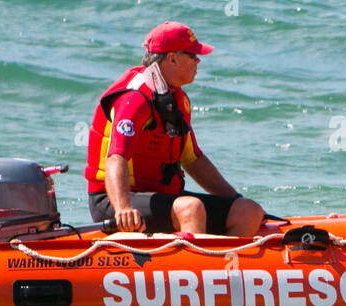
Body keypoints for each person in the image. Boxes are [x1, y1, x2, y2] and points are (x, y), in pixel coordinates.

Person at [85, 21, 265, 235]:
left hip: (162, 200)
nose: (198, 60)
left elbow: (193, 160)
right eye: (192, 55)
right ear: (172, 58)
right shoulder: (135, 99)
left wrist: (234, 199)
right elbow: (116, 157)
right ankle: (193, 266)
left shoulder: (176, 99)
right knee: (191, 209)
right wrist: (123, 208)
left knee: (248, 211)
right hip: (114, 200)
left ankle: (225, 266)